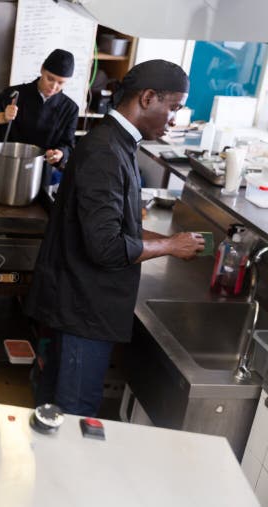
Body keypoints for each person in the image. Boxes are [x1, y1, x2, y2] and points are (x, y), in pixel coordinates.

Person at [24, 60, 205, 417]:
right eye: (173, 108)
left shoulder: (114, 142)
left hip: (75, 304)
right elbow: (106, 246)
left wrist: (175, 242)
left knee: (53, 414)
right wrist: (169, 245)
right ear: (148, 97)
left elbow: (114, 229)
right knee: (73, 416)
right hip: (82, 313)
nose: (173, 119)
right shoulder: (107, 152)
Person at [0, 49, 78, 180]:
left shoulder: (70, 108)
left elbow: (68, 144)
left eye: (60, 83)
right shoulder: (15, 94)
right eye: (50, 79)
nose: (53, 87)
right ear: (42, 69)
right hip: (5, 169)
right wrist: (2, 117)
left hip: (39, 176)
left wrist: (60, 153)